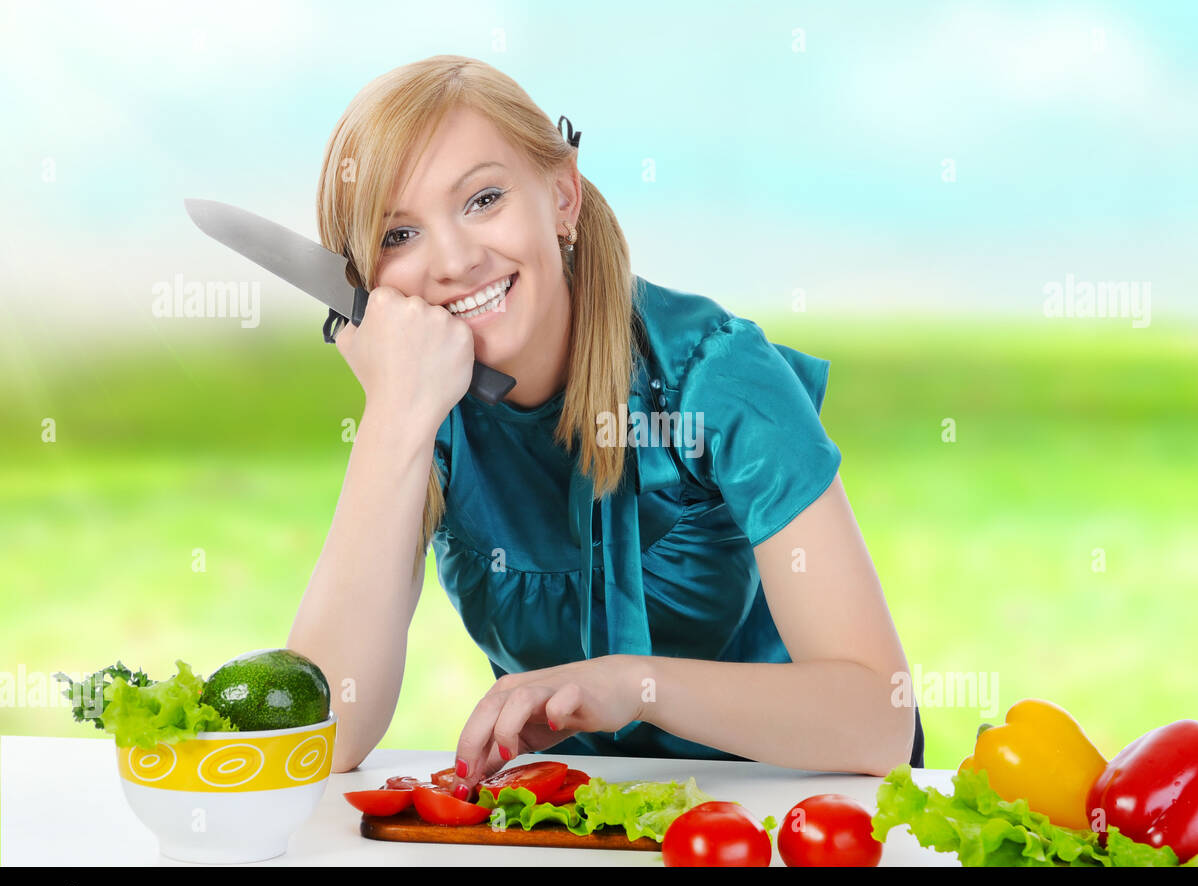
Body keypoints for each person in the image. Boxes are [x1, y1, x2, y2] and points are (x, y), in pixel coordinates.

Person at [289, 55, 924, 798]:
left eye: (483, 199)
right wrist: (393, 416)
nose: (455, 259)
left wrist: (637, 684)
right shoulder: (424, 403)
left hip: (791, 809)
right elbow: (323, 738)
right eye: (398, 237)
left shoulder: (715, 375)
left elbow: (879, 720)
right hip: (581, 823)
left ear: (562, 195)